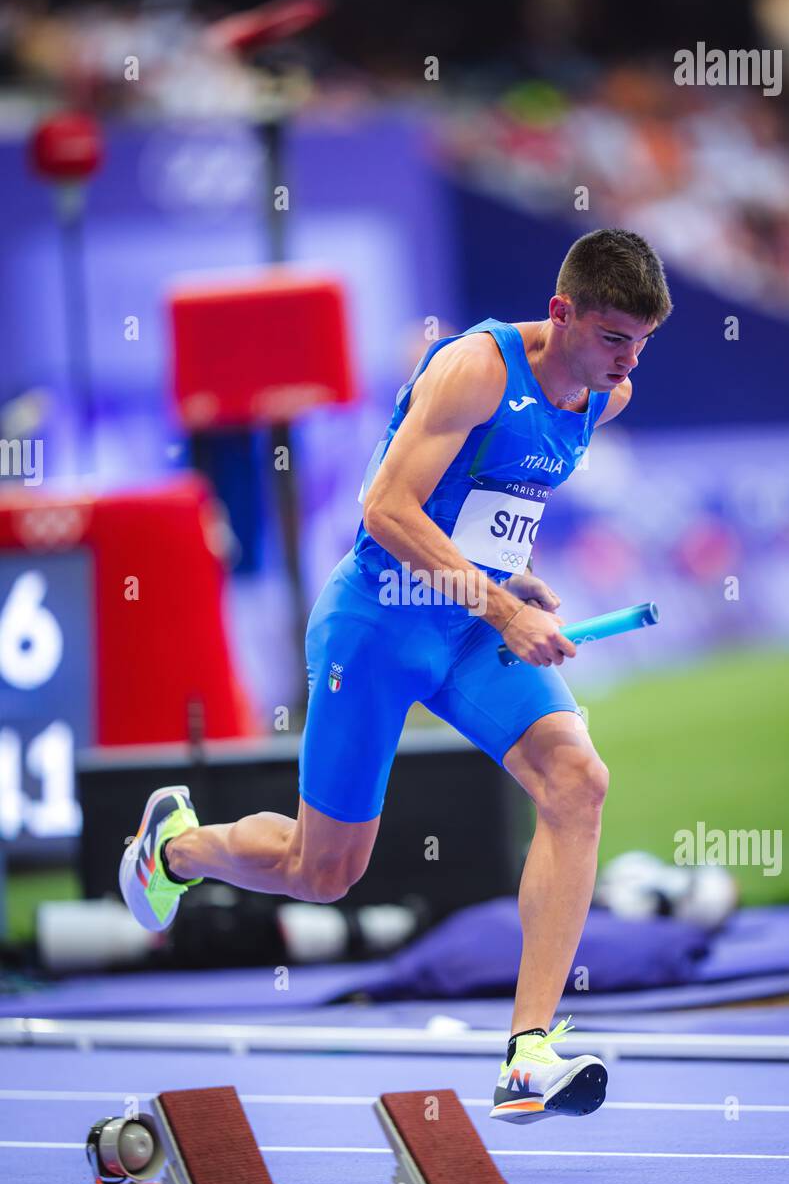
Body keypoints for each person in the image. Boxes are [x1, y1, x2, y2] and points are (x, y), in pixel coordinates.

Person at [120, 227, 672, 1123]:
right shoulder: (476, 368)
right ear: (561, 311)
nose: (628, 362)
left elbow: (489, 501)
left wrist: (507, 575)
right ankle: (175, 846)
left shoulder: (602, 397)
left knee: (579, 781)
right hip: (376, 628)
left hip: (464, 625)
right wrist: (501, 608)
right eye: (613, 337)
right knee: (322, 871)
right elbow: (383, 509)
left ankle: (529, 1052)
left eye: (643, 342)